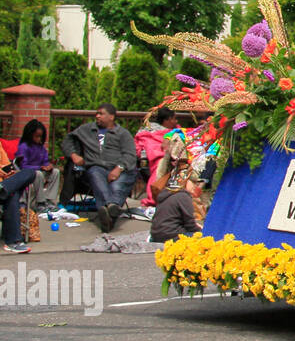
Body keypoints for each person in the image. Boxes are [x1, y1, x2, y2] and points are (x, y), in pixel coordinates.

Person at [60, 103, 139, 233]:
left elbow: (130, 155)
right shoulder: (87, 129)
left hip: (121, 169)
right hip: (97, 167)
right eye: (96, 113)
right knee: (95, 174)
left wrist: (118, 169)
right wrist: (73, 155)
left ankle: (107, 213)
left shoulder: (123, 134)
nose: (97, 116)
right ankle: (111, 207)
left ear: (111, 117)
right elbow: (67, 140)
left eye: (101, 113)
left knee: (116, 186)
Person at [15, 119, 61, 213]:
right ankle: (40, 203)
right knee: (39, 173)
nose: (39, 139)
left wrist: (48, 166)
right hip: (28, 173)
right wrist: (39, 168)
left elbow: (45, 162)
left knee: (56, 172)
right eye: (37, 136)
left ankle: (49, 200)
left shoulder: (41, 148)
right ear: (30, 134)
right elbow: (23, 165)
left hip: (40, 172)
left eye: (41, 137)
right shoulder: (24, 147)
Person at [149, 173, 207, 243]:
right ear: (186, 181)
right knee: (206, 238)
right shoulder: (183, 196)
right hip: (170, 235)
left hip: (156, 234)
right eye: (193, 183)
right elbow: (190, 225)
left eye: (197, 184)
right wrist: (201, 230)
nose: (195, 186)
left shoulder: (170, 192)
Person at [1, 144, 37, 253]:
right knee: (12, 193)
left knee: (30, 172)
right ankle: (14, 242)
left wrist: (9, 173)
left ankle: (4, 190)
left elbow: (6, 165)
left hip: (4, 184)